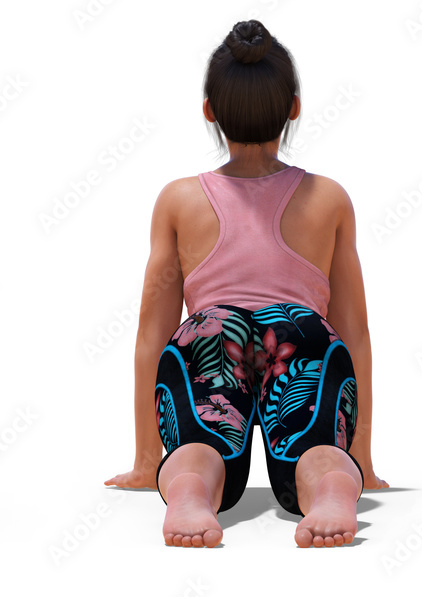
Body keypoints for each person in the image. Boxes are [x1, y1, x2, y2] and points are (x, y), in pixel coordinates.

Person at [105, 19, 387, 548]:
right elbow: (355, 331)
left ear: (209, 108)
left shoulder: (179, 200)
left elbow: (152, 333)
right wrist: (362, 457)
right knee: (316, 450)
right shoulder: (329, 199)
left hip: (212, 336)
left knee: (199, 447)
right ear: (294, 106)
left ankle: (189, 491)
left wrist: (147, 459)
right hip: (301, 333)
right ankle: (331, 485)